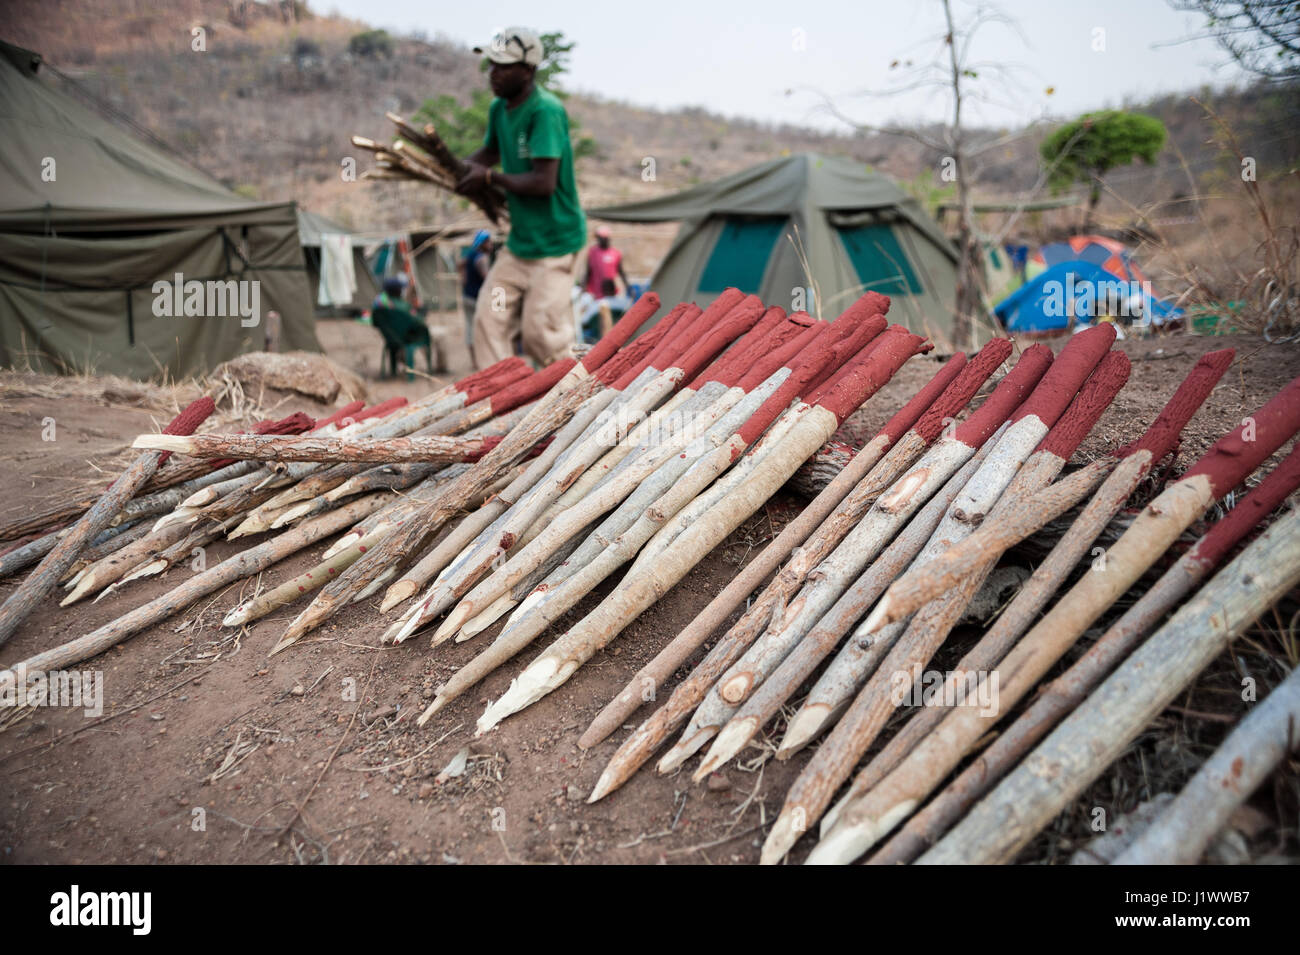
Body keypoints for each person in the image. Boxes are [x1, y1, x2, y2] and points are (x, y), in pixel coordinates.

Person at [455, 26, 588, 369]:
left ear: (528, 70)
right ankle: (501, 400)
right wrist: (458, 170)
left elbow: (544, 182)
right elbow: (489, 151)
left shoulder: (545, 111)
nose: (493, 73)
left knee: (540, 333)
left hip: (555, 246)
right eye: (491, 65)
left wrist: (489, 177)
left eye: (503, 66)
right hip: (520, 246)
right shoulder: (500, 109)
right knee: (489, 320)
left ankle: (572, 395)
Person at [457, 230, 494, 351]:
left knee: (470, 328)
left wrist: (464, 277)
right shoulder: (481, 258)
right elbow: (487, 279)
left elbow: (460, 265)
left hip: (467, 295)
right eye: (488, 242)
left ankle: (474, 360)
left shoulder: (470, 255)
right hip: (476, 299)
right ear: (482, 243)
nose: (491, 244)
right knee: (482, 329)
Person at [582, 225, 630, 298]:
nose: (599, 240)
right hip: (594, 294)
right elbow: (588, 271)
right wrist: (583, 288)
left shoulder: (615, 254)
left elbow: (621, 272)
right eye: (598, 238)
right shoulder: (592, 252)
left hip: (611, 293)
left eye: (600, 237)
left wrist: (628, 286)